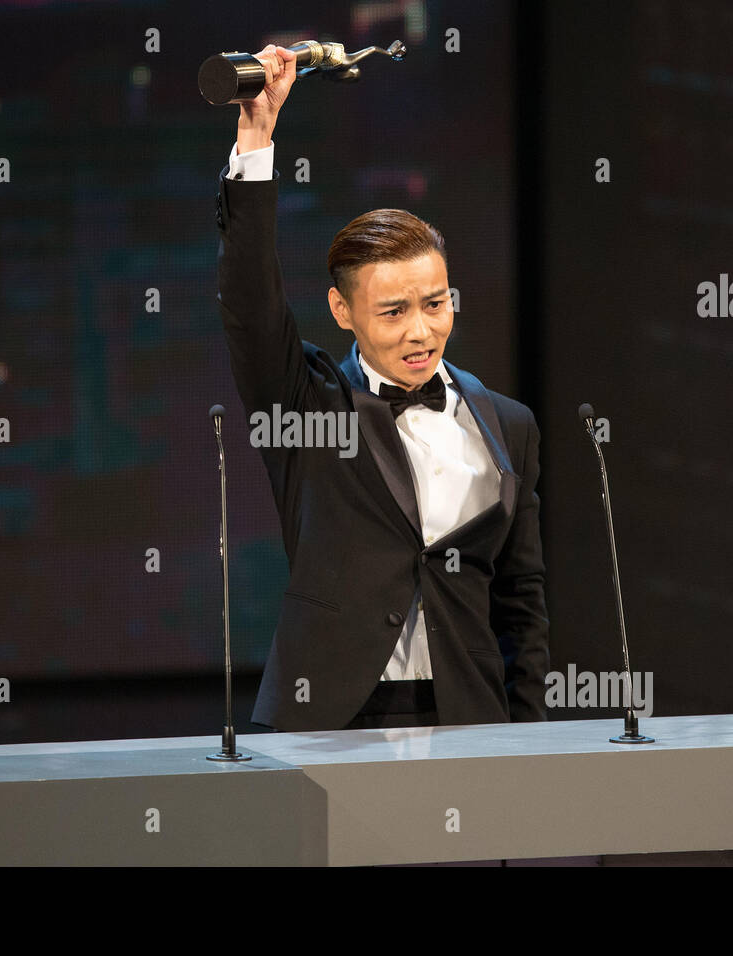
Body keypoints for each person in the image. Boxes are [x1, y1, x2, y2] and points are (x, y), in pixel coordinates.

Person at [215, 44, 549, 732]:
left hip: (471, 722)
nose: (421, 330)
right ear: (344, 314)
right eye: (393, 312)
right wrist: (256, 141)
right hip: (332, 720)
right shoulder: (307, 409)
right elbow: (251, 305)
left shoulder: (508, 424)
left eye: (436, 303)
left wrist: (528, 732)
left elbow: (522, 600)